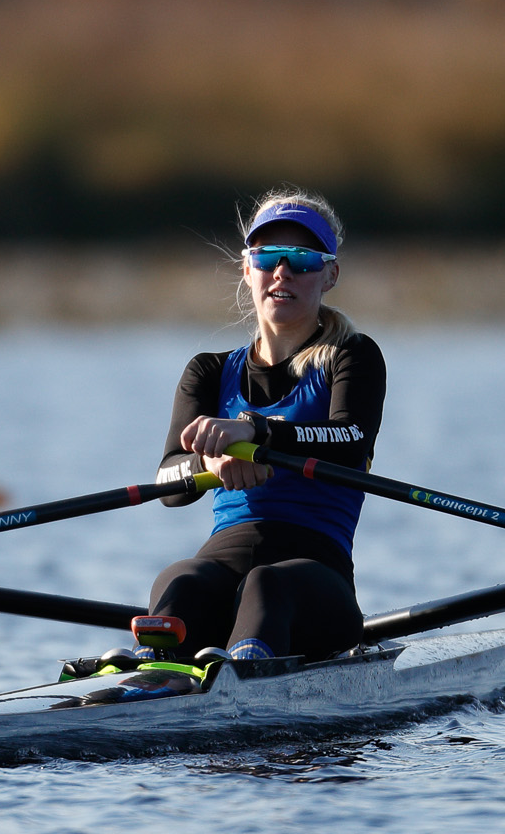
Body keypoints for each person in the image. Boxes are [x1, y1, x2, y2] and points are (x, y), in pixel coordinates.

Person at [142, 188, 384, 663]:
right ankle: (150, 677)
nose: (283, 272)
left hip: (316, 576)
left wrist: (257, 435)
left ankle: (243, 676)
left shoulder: (352, 356)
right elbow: (167, 484)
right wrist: (209, 460)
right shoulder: (207, 372)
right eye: (268, 256)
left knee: (266, 584)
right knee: (179, 580)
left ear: (330, 274)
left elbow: (350, 442)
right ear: (246, 267)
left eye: (302, 258)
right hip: (220, 562)